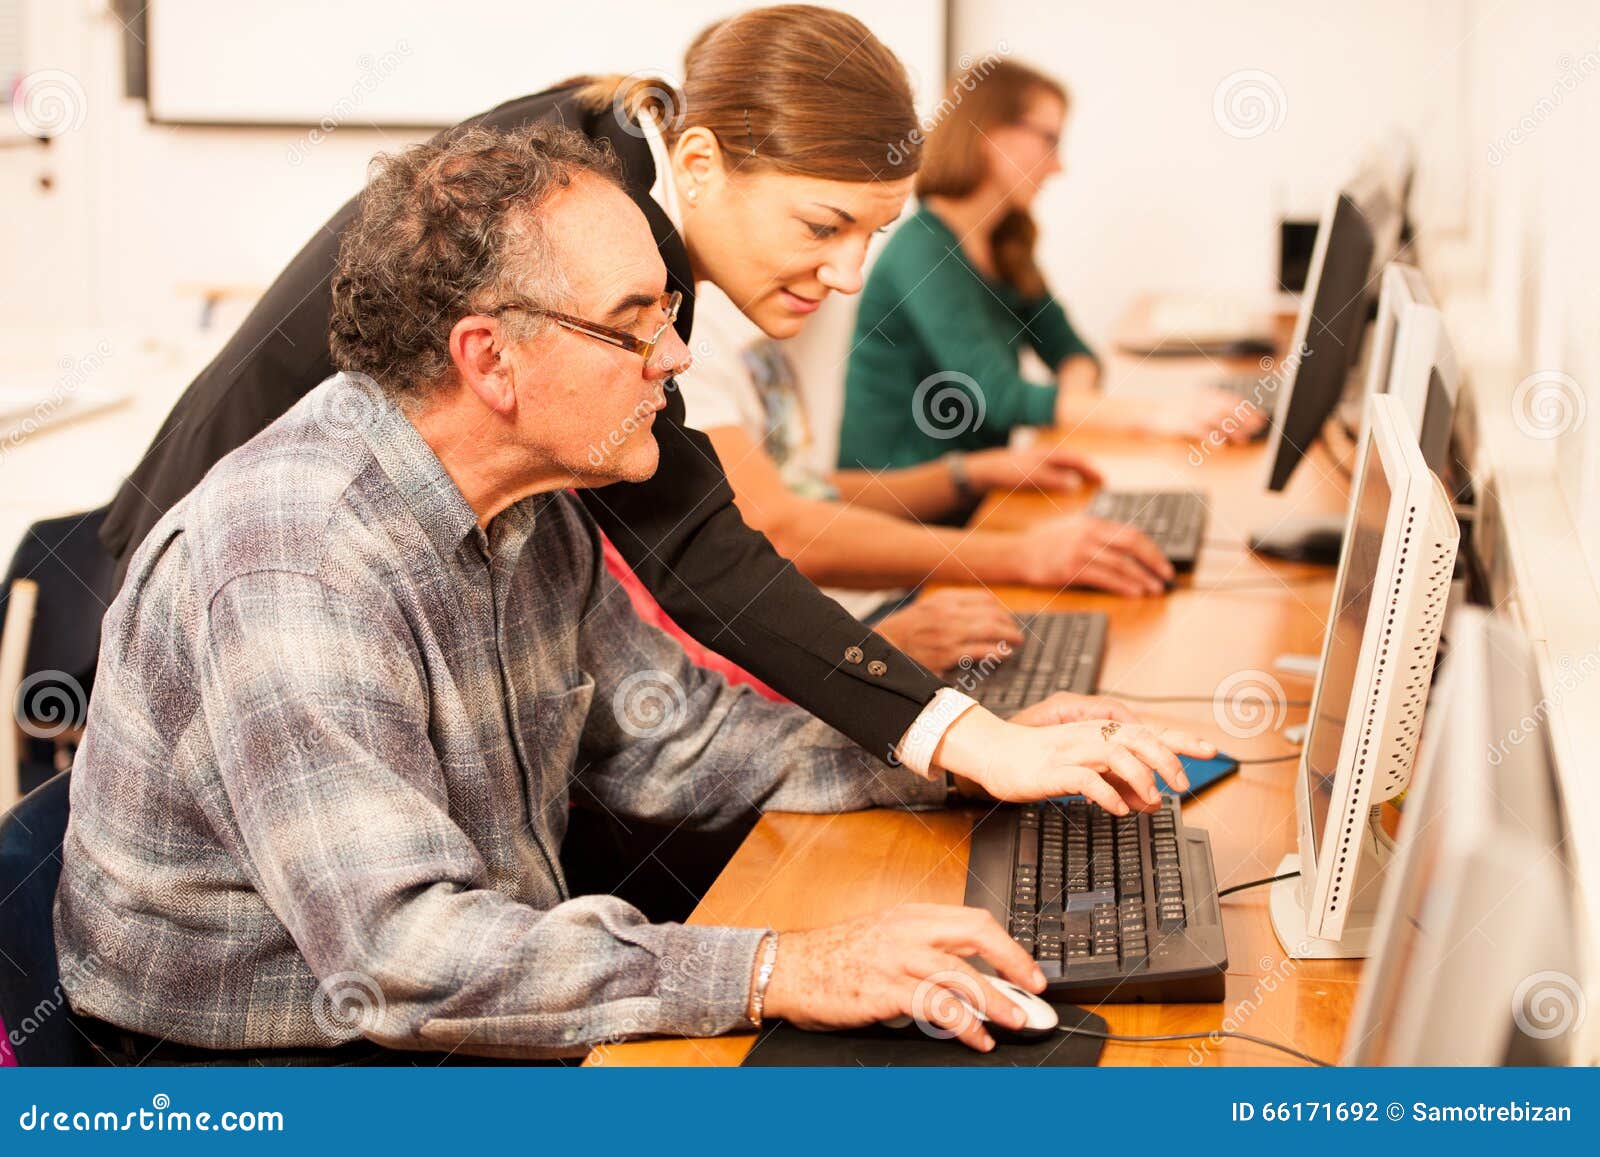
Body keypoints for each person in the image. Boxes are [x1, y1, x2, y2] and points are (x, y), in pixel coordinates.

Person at [56, 125, 1210, 1062]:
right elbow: (401, 953)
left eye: (667, 311)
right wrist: (778, 965)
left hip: (445, 1006)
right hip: (262, 1067)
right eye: (631, 325)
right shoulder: (297, 563)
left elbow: (677, 739)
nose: (675, 355)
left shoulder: (531, 501)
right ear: (488, 359)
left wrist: (962, 760)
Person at [93, 5, 1121, 802]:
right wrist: (960, 734)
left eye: (872, 235)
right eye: (821, 226)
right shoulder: (600, 229)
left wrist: (944, 733)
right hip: (237, 587)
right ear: (701, 164)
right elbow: (699, 543)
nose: (848, 274)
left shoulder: (613, 151)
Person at [675, 284, 1175, 669]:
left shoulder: (738, 323)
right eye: (824, 227)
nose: (849, 277)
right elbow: (782, 531)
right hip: (840, 637)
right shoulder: (687, 344)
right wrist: (1023, 555)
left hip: (871, 611)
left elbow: (801, 491)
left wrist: (968, 474)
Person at [839, 60, 1266, 473]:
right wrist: (1155, 415)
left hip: (980, 489)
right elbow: (1000, 397)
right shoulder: (922, 248)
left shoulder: (1005, 243)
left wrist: (1076, 404)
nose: (1059, 166)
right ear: (989, 133)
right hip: (899, 505)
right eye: (1050, 140)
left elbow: (1073, 352)